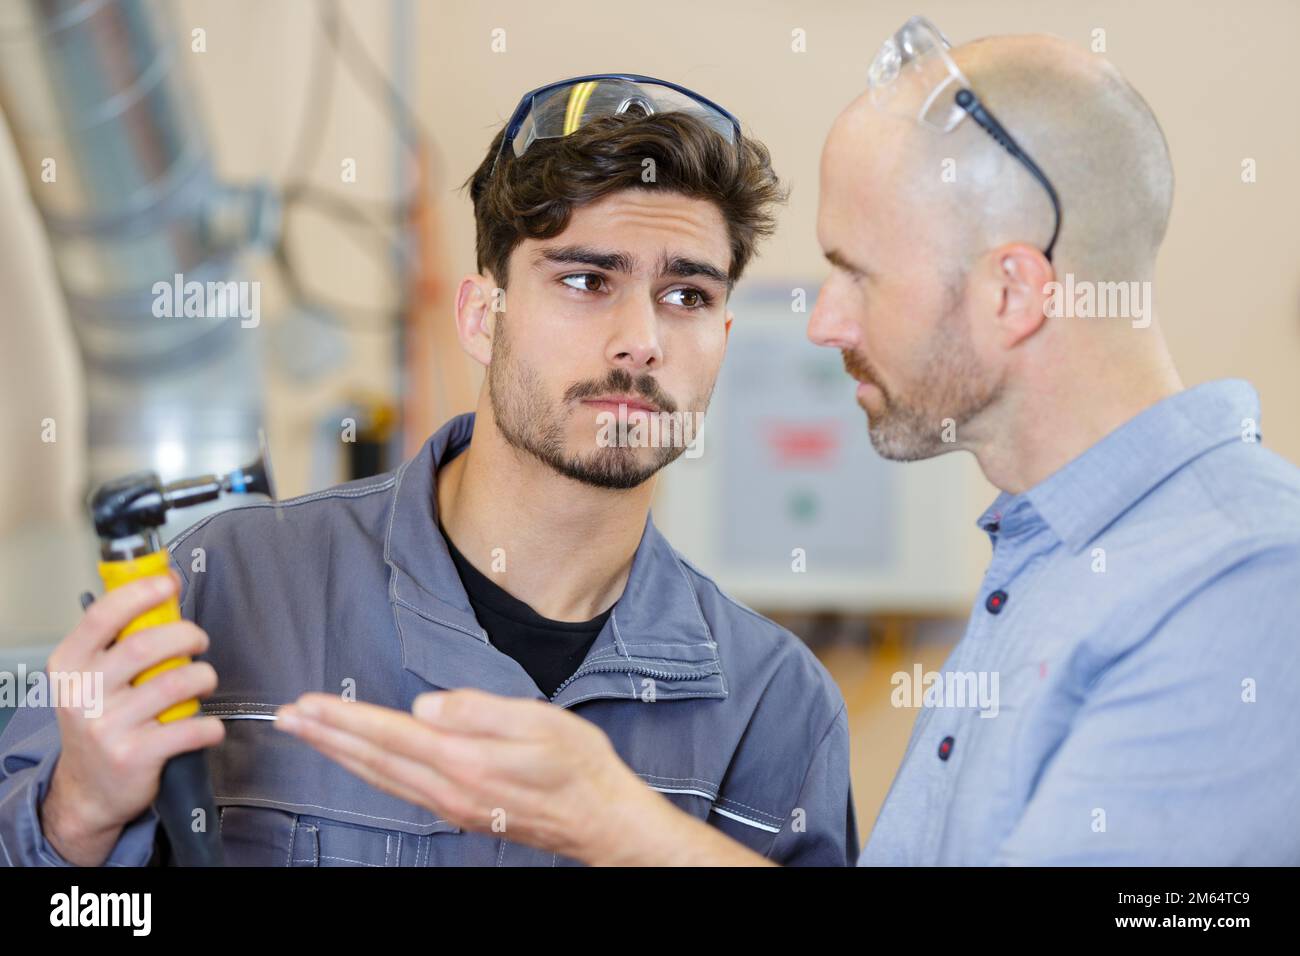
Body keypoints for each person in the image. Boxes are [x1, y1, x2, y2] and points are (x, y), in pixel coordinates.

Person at [276, 22, 1300, 866]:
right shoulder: (1044, 569)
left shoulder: (1246, 585)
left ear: (1012, 291)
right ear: (479, 311)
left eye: (859, 274)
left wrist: (617, 823)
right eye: (585, 280)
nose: (822, 324)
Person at [0, 74, 859, 866]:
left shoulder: (775, 707)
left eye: (688, 296)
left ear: (722, 343)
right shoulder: (225, 588)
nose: (643, 337)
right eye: (588, 279)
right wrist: (74, 815)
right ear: (482, 318)